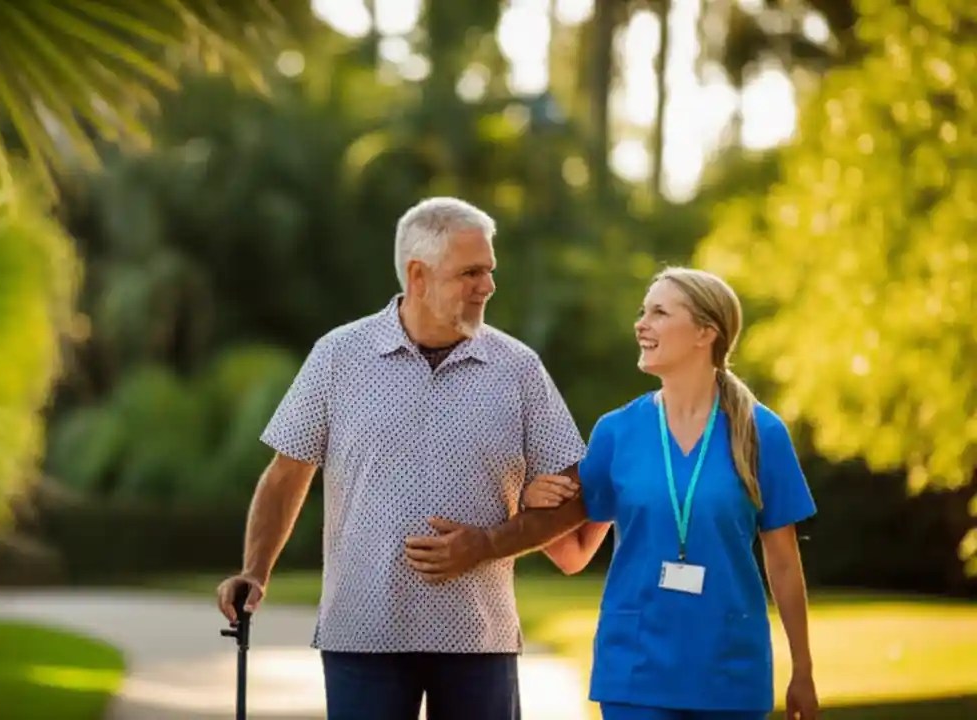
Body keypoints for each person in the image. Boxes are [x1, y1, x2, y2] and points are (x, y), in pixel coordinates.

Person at [215, 197, 589, 720]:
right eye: (471, 273)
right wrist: (255, 571)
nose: (488, 285)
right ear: (418, 275)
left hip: (479, 639)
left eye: (489, 270)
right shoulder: (338, 356)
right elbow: (286, 474)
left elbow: (577, 497)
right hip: (362, 634)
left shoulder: (518, 368)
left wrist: (486, 544)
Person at [523, 267, 819, 720]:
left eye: (659, 312)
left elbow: (782, 561)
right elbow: (574, 554)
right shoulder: (616, 432)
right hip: (635, 670)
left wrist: (803, 670)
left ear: (705, 332)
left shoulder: (762, 433)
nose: (641, 324)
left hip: (729, 672)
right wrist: (527, 502)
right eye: (644, 311)